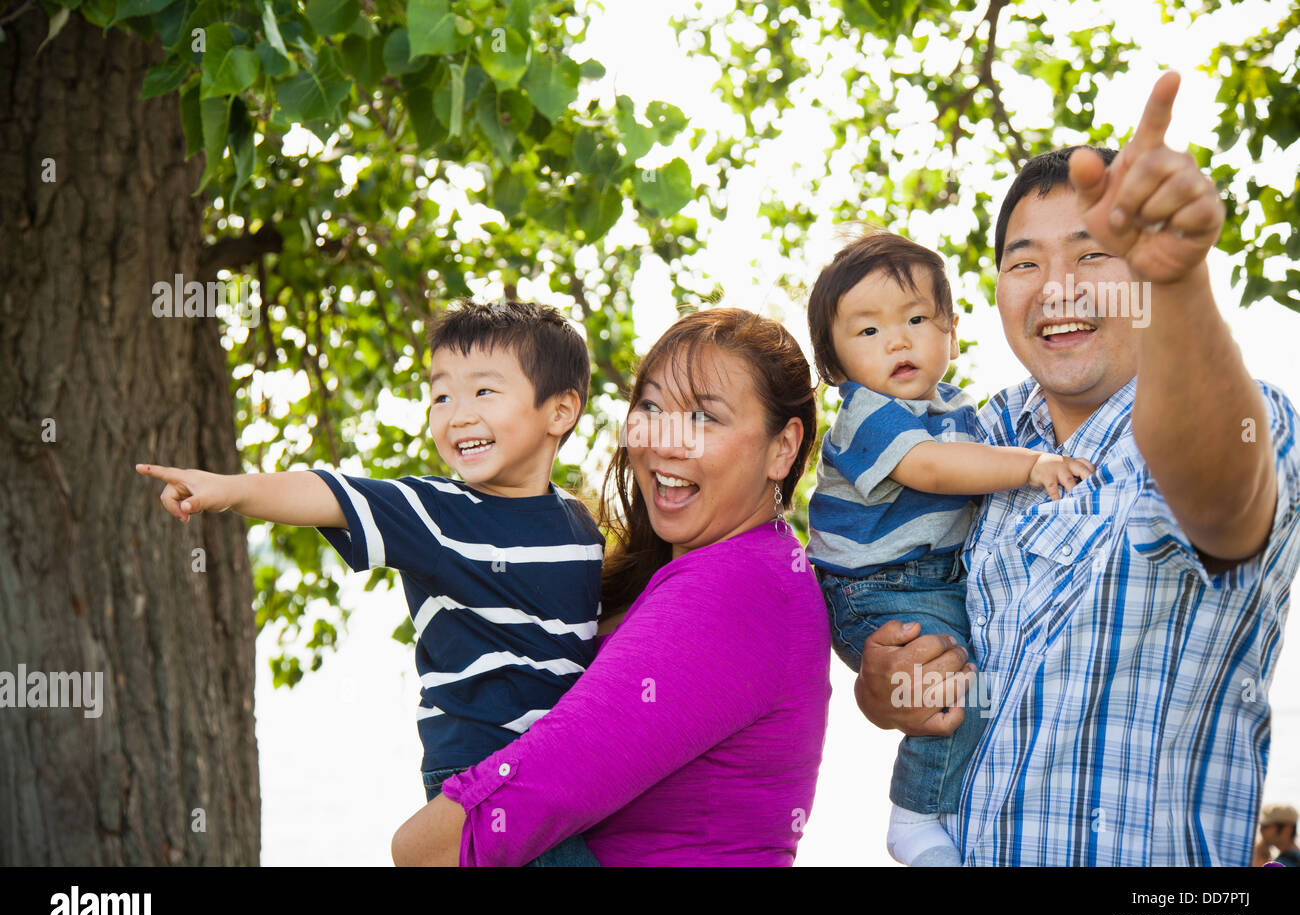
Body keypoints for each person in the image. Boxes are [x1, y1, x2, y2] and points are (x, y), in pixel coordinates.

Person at [852, 72, 1300, 865]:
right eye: (1024, 263)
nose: (1057, 288)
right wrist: (887, 679)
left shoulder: (1248, 414)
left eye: (1094, 255)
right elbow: (874, 562)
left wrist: (1180, 280)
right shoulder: (972, 434)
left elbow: (1223, 506)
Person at [137, 300, 603, 866]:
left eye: (483, 392)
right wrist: (230, 489)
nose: (456, 415)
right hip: (483, 766)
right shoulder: (434, 513)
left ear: (559, 411)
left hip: (564, 768)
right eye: (440, 396)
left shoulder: (580, 525)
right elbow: (327, 492)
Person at [390, 308, 833, 866]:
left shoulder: (732, 588)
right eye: (650, 407)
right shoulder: (727, 568)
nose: (666, 443)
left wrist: (412, 844)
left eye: (704, 418)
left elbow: (470, 834)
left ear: (783, 448)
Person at [804, 229, 1094, 866]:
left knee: (984, 677)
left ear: (952, 332)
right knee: (950, 677)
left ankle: (966, 808)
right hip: (874, 587)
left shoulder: (959, 411)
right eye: (869, 331)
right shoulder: (867, 412)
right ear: (836, 363)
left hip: (932, 580)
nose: (899, 340)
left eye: (916, 319)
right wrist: (1031, 466)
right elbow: (933, 470)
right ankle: (915, 815)